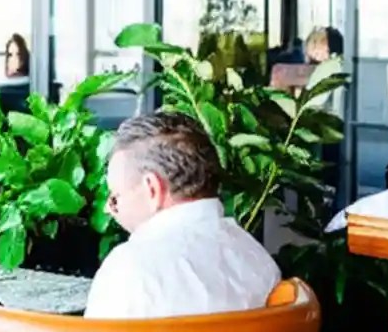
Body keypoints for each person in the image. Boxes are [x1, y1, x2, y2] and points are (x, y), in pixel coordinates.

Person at [83, 112, 280, 319]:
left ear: (152, 189)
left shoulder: (128, 269)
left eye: (116, 198)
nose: (109, 209)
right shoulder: (256, 258)